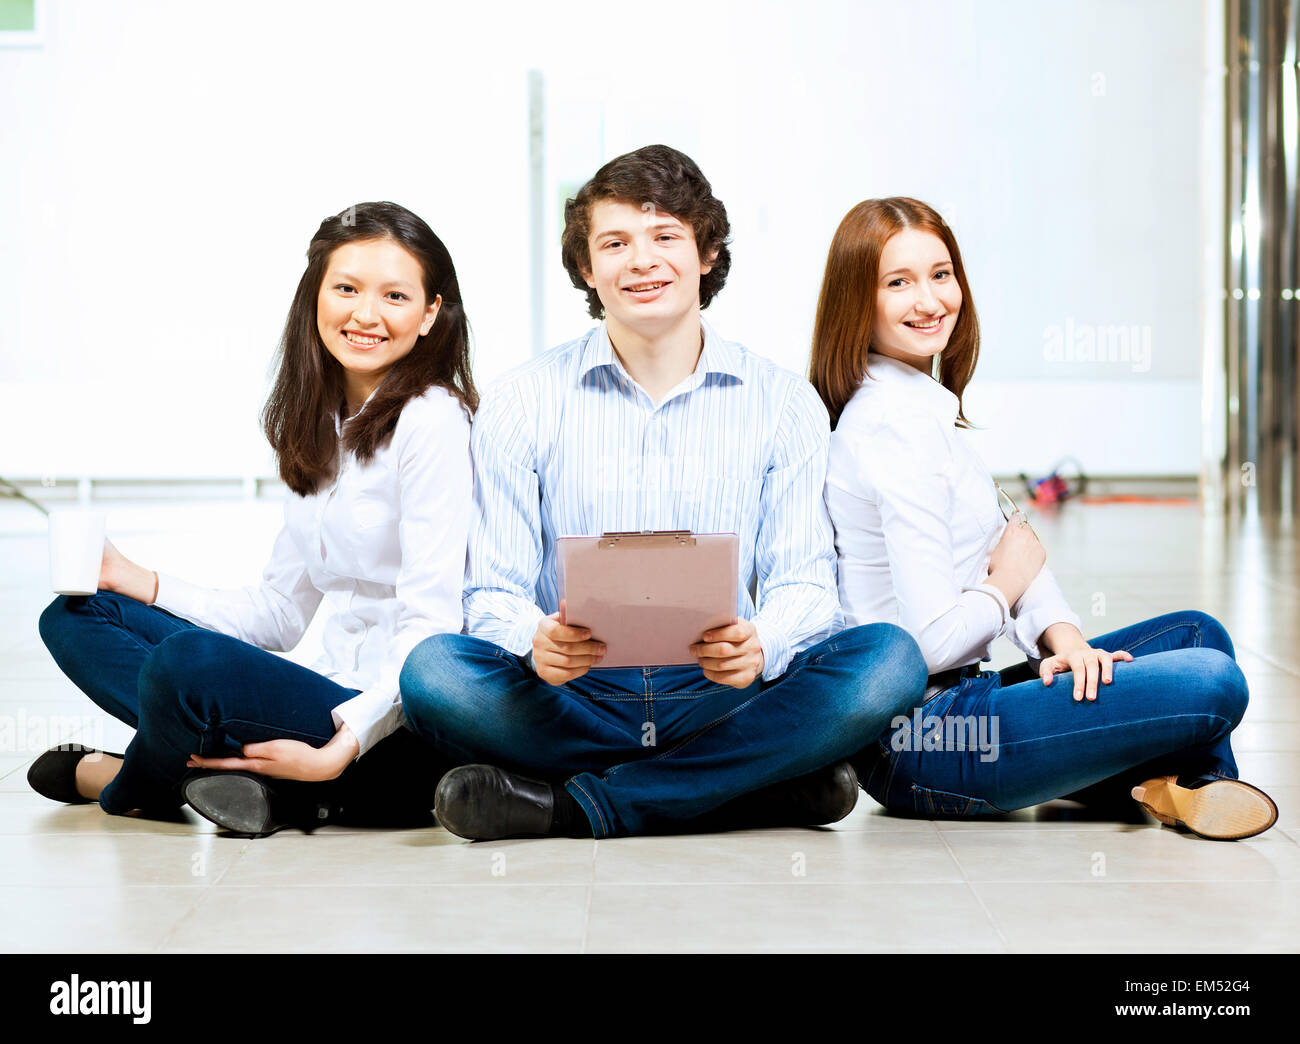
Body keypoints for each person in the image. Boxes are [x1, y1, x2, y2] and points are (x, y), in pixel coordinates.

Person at [399, 145, 927, 841]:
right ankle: (739, 787)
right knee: (433, 673)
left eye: (666, 237)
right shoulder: (521, 401)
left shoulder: (783, 402)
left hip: (724, 695)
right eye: (615, 243)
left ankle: (583, 806)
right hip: (571, 698)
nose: (642, 261)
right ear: (588, 269)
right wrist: (535, 641)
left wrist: (762, 642)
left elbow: (807, 586)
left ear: (706, 253)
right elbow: (491, 592)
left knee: (889, 660)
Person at [809, 196, 1277, 840]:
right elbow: (932, 641)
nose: (929, 300)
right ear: (856, 301)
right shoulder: (893, 430)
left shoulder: (923, 407)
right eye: (898, 282)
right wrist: (1003, 587)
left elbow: (1011, 548)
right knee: (1215, 682)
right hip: (926, 739)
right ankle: (1189, 780)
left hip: (968, 699)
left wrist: (1065, 642)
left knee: (1198, 635)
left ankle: (1170, 785)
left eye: (941, 274)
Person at [33, 201, 475, 836]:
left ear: (431, 313)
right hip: (320, 683)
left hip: (386, 721)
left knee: (188, 667)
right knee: (77, 617)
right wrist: (140, 580)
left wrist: (336, 751)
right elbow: (278, 614)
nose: (365, 314)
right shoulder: (316, 421)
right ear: (314, 295)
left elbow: (434, 628)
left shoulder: (431, 419)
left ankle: (130, 782)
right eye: (346, 288)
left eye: (395, 295)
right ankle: (212, 774)